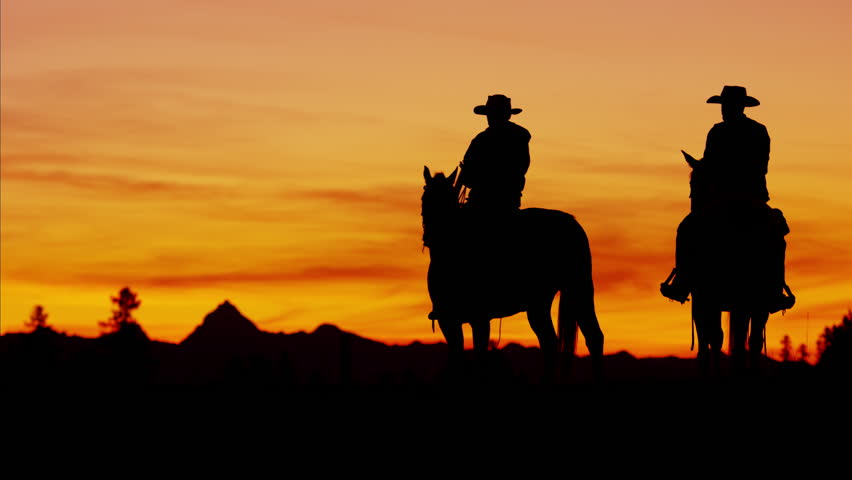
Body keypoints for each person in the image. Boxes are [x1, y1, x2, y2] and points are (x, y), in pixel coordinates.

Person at [661, 86, 794, 312]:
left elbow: (753, 164)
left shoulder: (740, 132)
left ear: (740, 106)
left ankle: (682, 283)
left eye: (728, 105)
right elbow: (760, 164)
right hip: (749, 196)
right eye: (723, 105)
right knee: (775, 232)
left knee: (686, 228)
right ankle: (774, 290)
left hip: (735, 195)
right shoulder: (733, 131)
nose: (724, 110)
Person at [457, 94, 531, 215]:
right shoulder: (519, 136)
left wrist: (471, 175)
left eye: (493, 114)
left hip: (484, 199)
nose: (490, 118)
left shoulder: (481, 140)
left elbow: (468, 174)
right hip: (509, 198)